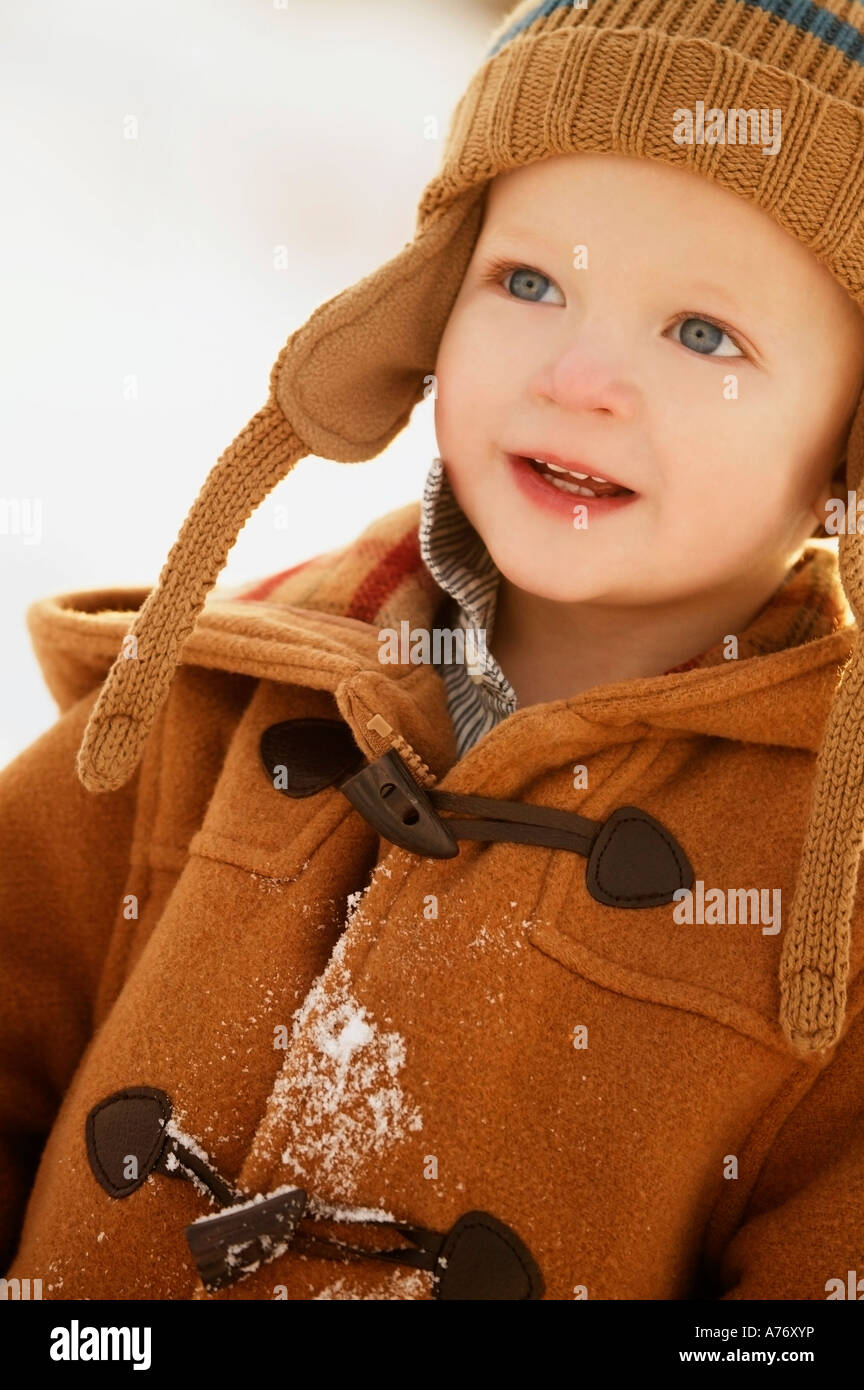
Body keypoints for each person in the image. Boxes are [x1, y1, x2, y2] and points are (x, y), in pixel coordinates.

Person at [3, 0, 864, 1301]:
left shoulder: (834, 889)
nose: (579, 373)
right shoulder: (225, 700)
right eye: (528, 280)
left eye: (704, 334)